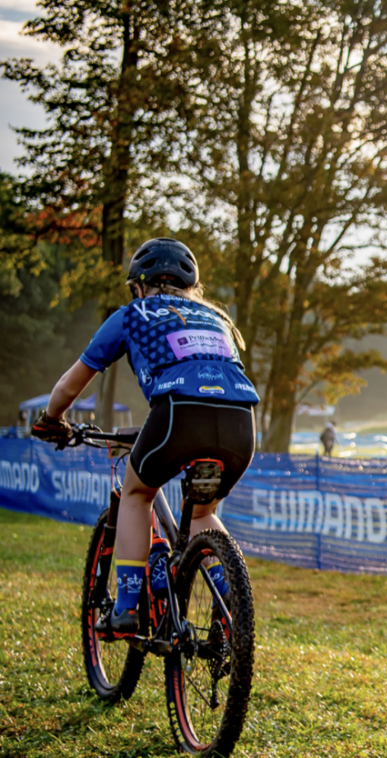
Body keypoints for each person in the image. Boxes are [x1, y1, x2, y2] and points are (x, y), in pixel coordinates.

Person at [31, 238, 260, 635]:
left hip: (178, 414)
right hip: (241, 422)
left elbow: (70, 386)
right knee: (202, 514)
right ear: (191, 288)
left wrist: (52, 420)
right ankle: (232, 602)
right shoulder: (216, 318)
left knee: (137, 494)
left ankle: (125, 609)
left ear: (138, 286)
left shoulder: (132, 313)